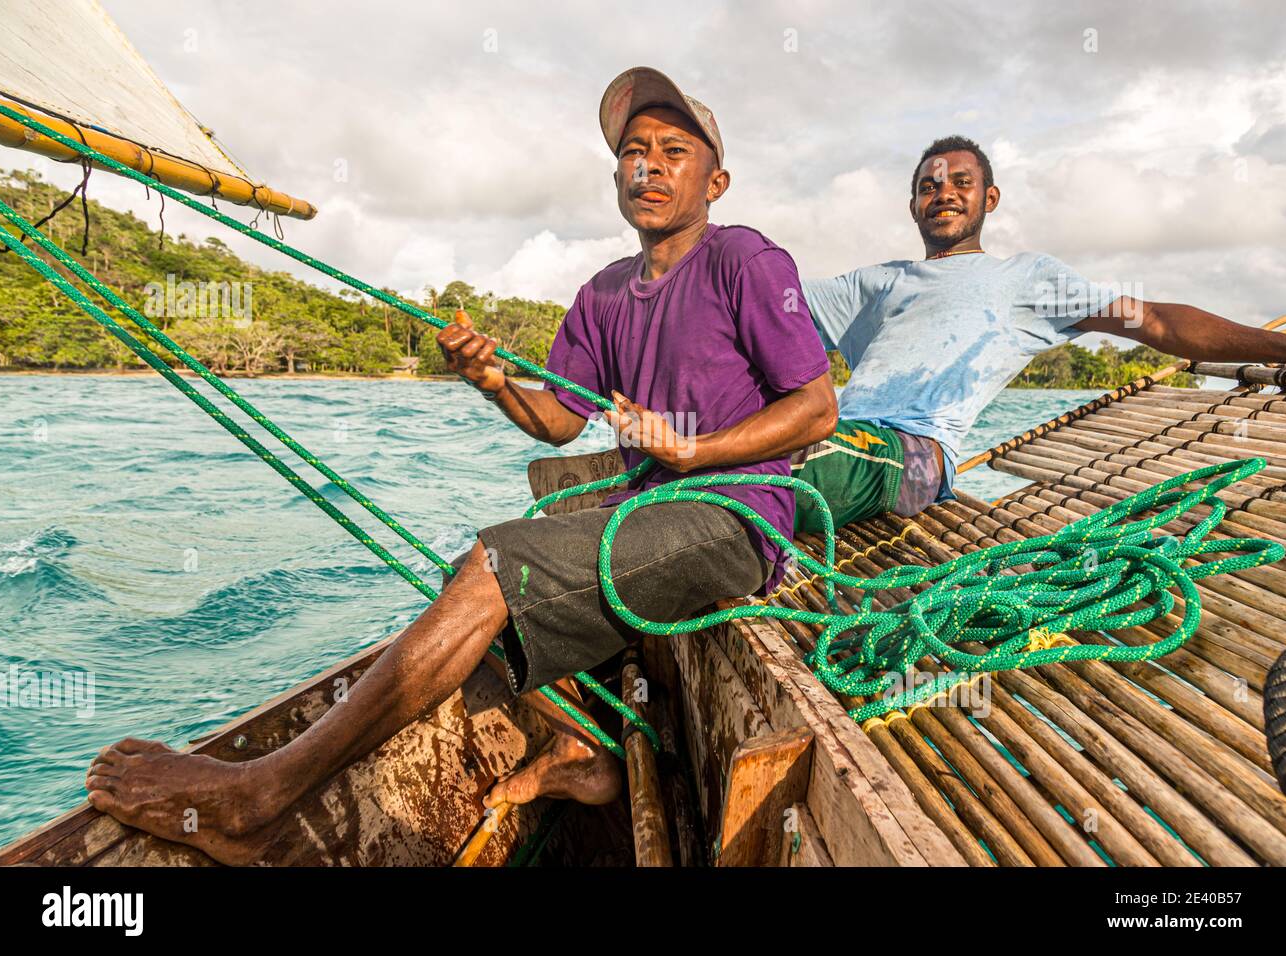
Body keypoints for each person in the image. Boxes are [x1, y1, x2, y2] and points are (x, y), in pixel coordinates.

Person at [82, 67, 836, 865]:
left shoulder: (746, 261)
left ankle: (259, 797)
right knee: (471, 575)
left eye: (673, 151)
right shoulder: (603, 294)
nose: (647, 166)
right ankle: (588, 750)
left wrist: (695, 449)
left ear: (715, 179)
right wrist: (491, 381)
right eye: (633, 152)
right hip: (650, 512)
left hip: (735, 519)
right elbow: (554, 421)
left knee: (496, 566)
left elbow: (817, 406)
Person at [795, 135, 1286, 531]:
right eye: (929, 187)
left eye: (960, 183)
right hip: (841, 433)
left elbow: (1156, 321)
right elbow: (762, 307)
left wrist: (1281, 347)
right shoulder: (876, 282)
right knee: (743, 434)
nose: (943, 193)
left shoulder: (1025, 279)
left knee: (775, 457)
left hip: (913, 454)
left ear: (989, 198)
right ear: (913, 207)